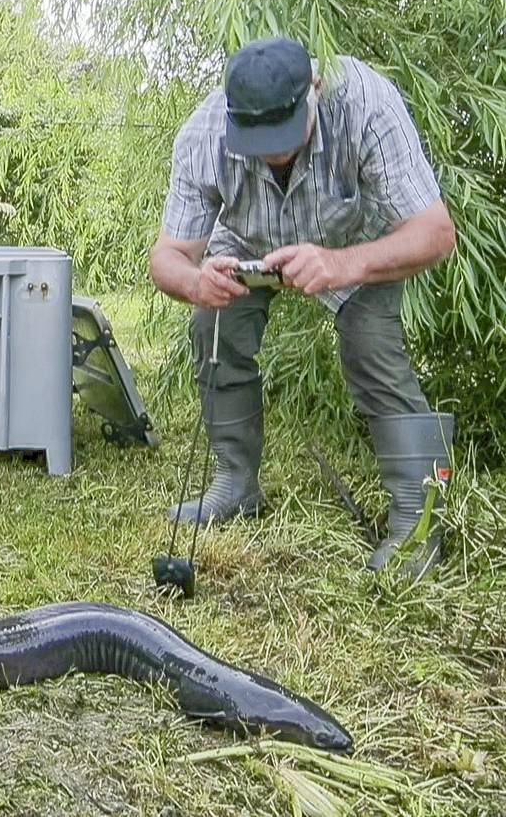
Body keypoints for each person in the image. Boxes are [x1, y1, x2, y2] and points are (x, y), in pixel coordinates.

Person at [150, 36, 457, 576]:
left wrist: (343, 266)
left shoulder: (365, 103)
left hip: (358, 243)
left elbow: (435, 233)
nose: (274, 152)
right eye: (258, 140)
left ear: (313, 89)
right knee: (211, 327)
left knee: (371, 346)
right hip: (246, 243)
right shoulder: (203, 132)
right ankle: (235, 483)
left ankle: (418, 517)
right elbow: (167, 257)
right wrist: (197, 282)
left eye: (285, 135)